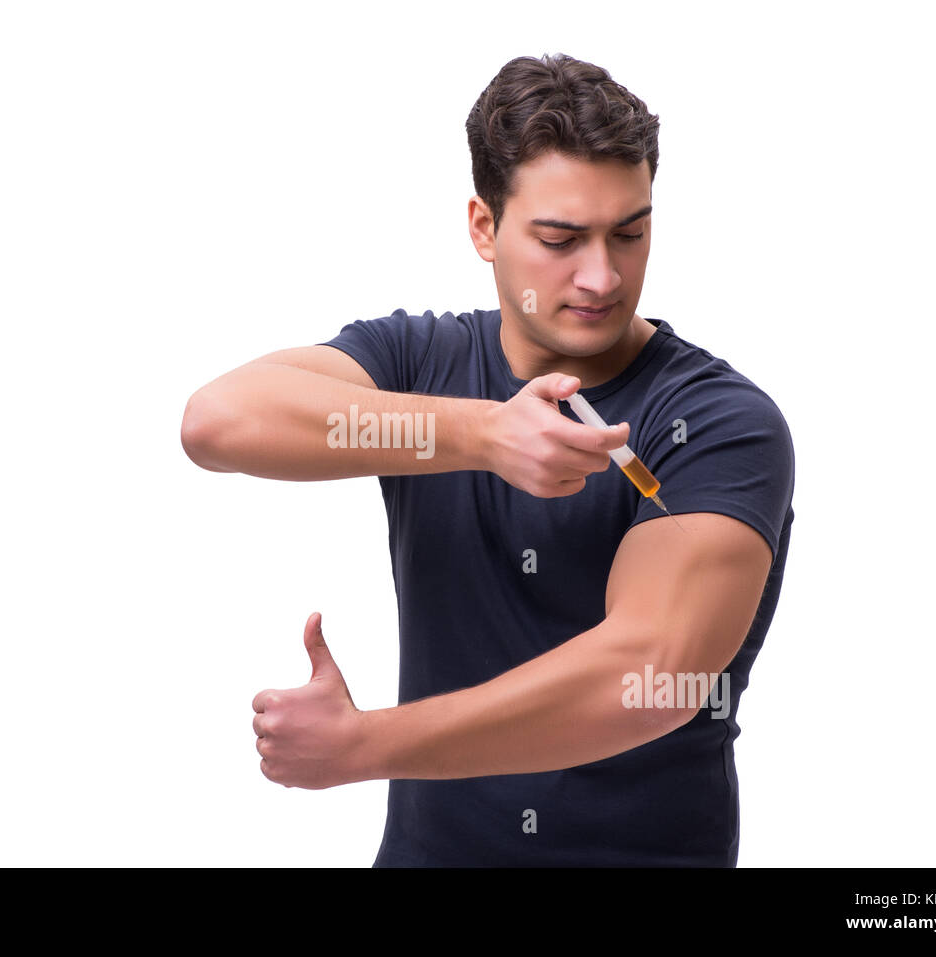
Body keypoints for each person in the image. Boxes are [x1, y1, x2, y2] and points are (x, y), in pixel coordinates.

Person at [180, 52, 795, 867]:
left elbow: (645, 677)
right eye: (560, 238)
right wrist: (479, 436)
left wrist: (363, 746)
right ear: (483, 227)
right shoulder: (419, 361)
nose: (601, 275)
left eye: (631, 233)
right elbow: (217, 421)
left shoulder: (720, 422)